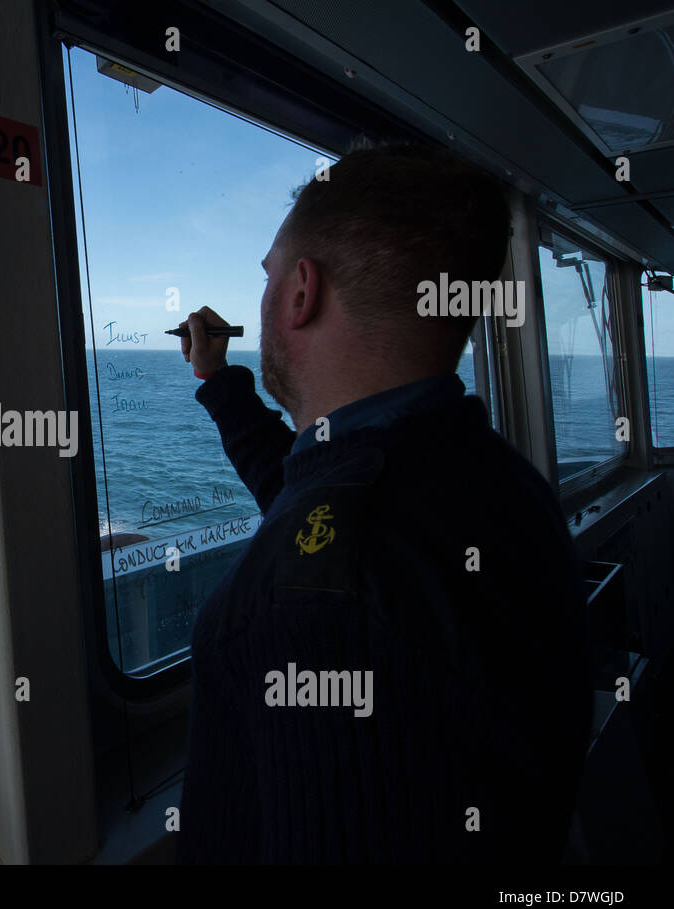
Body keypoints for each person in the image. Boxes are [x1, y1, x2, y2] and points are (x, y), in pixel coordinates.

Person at [176, 142, 591, 863]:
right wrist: (219, 382)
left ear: (302, 291)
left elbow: (336, 547)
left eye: (270, 275)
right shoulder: (489, 475)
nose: (265, 295)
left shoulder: (310, 611)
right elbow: (319, 500)